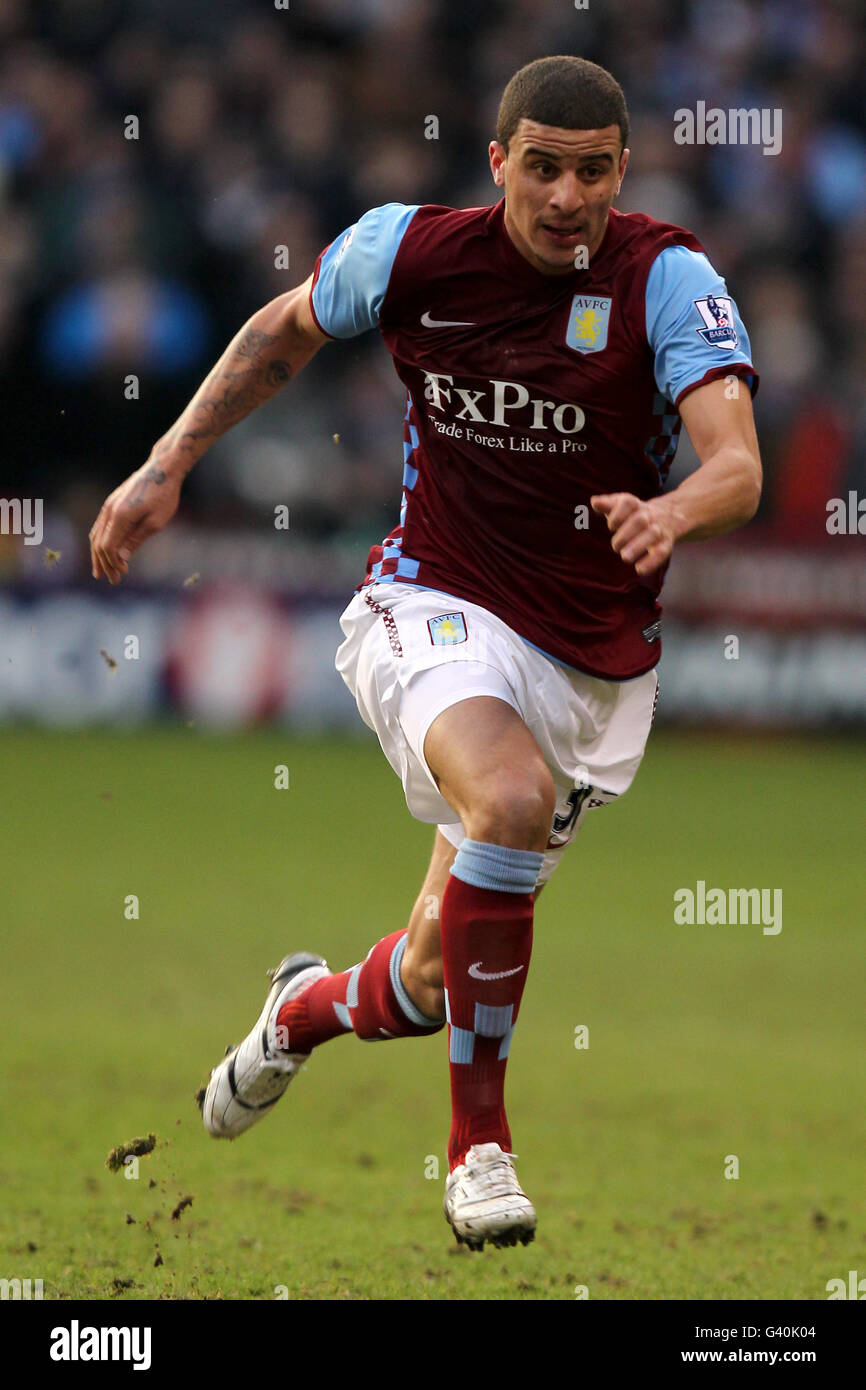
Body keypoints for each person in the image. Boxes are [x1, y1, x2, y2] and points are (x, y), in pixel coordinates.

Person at [89, 55, 761, 1252]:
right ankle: (477, 1152)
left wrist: (672, 512)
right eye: (542, 167)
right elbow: (279, 333)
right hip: (431, 597)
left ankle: (297, 1013)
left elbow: (736, 462)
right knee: (507, 799)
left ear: (622, 170)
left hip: (587, 656)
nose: (566, 197)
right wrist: (164, 463)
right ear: (497, 161)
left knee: (430, 977)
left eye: (591, 171)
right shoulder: (404, 251)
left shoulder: (666, 280)